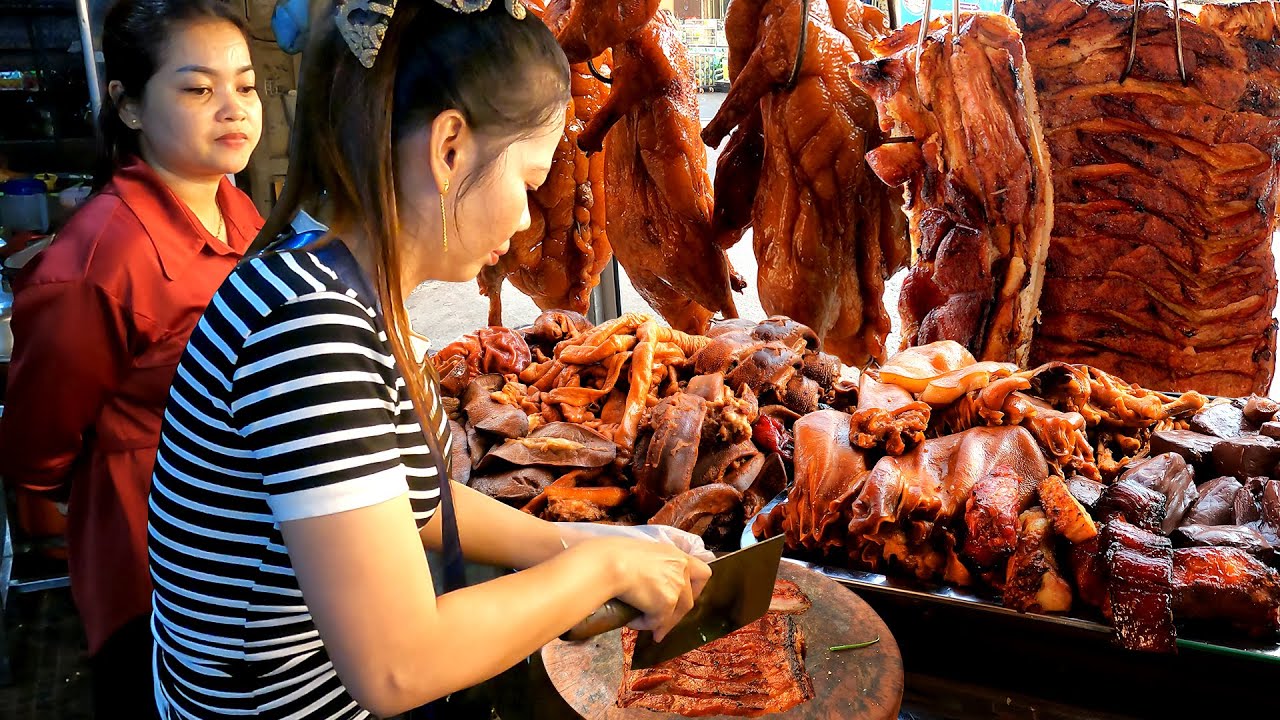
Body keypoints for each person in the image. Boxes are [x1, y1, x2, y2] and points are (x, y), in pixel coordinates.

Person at [146, 1, 711, 718]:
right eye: (529, 182)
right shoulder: (307, 325)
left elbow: (406, 505)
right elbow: (397, 666)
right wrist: (601, 568)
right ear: (450, 150)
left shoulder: (335, 282)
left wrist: (577, 539)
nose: (523, 219)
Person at [0, 0, 263, 715]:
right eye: (198, 88)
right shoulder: (99, 260)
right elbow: (35, 446)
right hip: (153, 558)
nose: (233, 108)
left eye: (244, 85)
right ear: (131, 106)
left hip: (249, 540)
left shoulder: (235, 208)